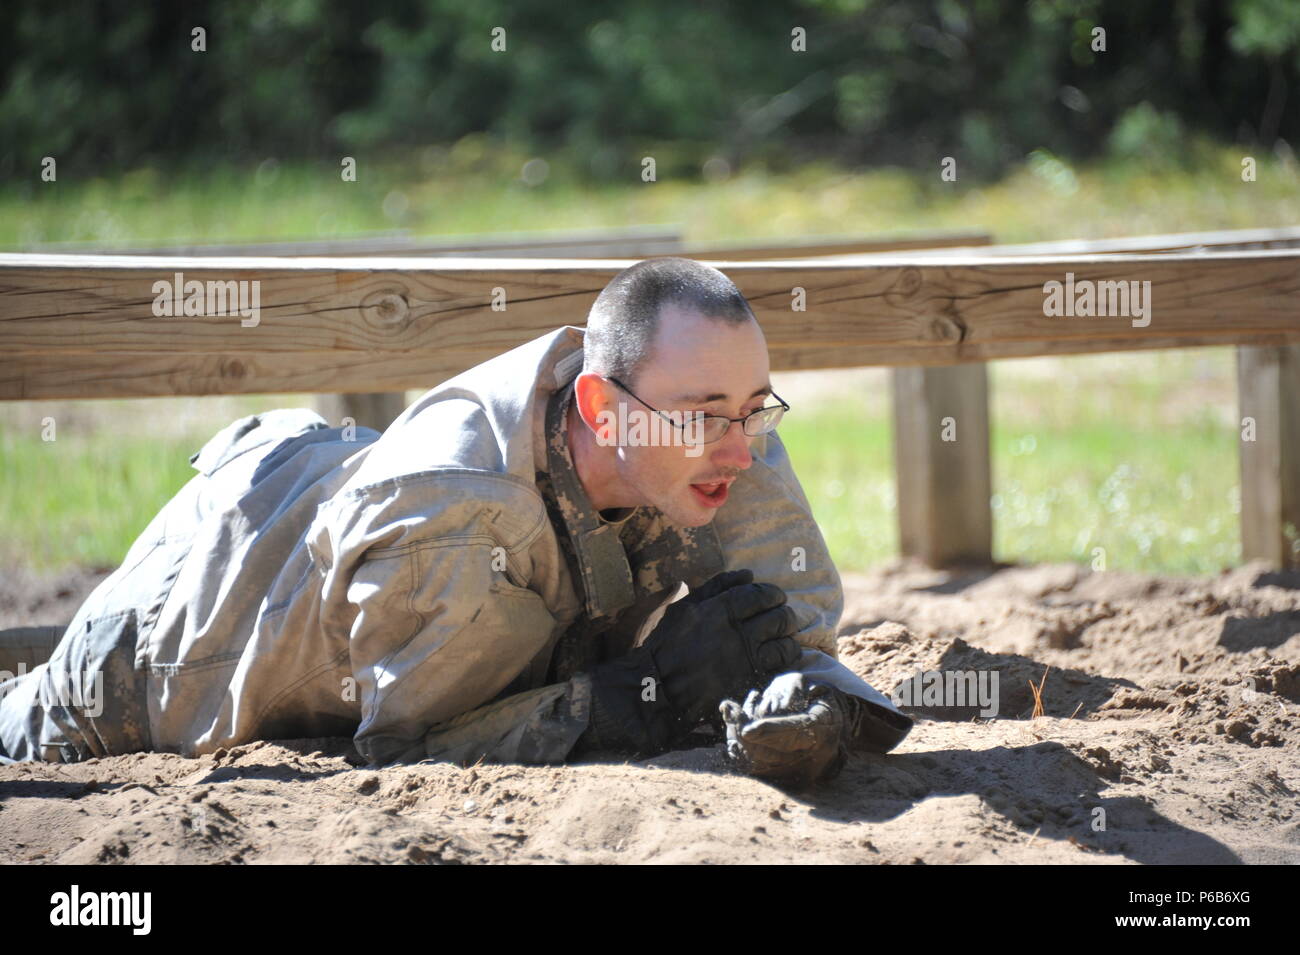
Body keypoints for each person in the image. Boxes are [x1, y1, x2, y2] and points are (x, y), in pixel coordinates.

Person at [0, 257, 911, 785]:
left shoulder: (712, 429)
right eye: (713, 413)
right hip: (166, 651)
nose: (744, 448)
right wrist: (650, 697)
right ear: (600, 409)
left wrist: (799, 694)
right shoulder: (453, 520)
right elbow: (407, 753)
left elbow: (792, 637)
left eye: (757, 407)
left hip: (322, 511)